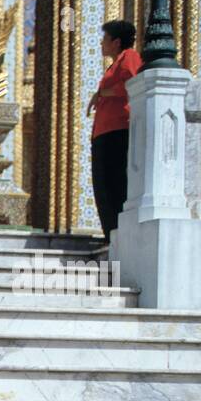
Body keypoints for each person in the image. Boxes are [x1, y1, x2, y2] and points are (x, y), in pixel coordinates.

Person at [87, 19, 143, 241]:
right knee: (103, 185)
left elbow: (133, 84)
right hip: (103, 132)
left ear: (116, 42)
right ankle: (110, 233)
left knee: (115, 184)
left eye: (105, 39)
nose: (102, 43)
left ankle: (118, 235)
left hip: (118, 129)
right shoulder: (114, 63)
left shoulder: (129, 57)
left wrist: (103, 94)